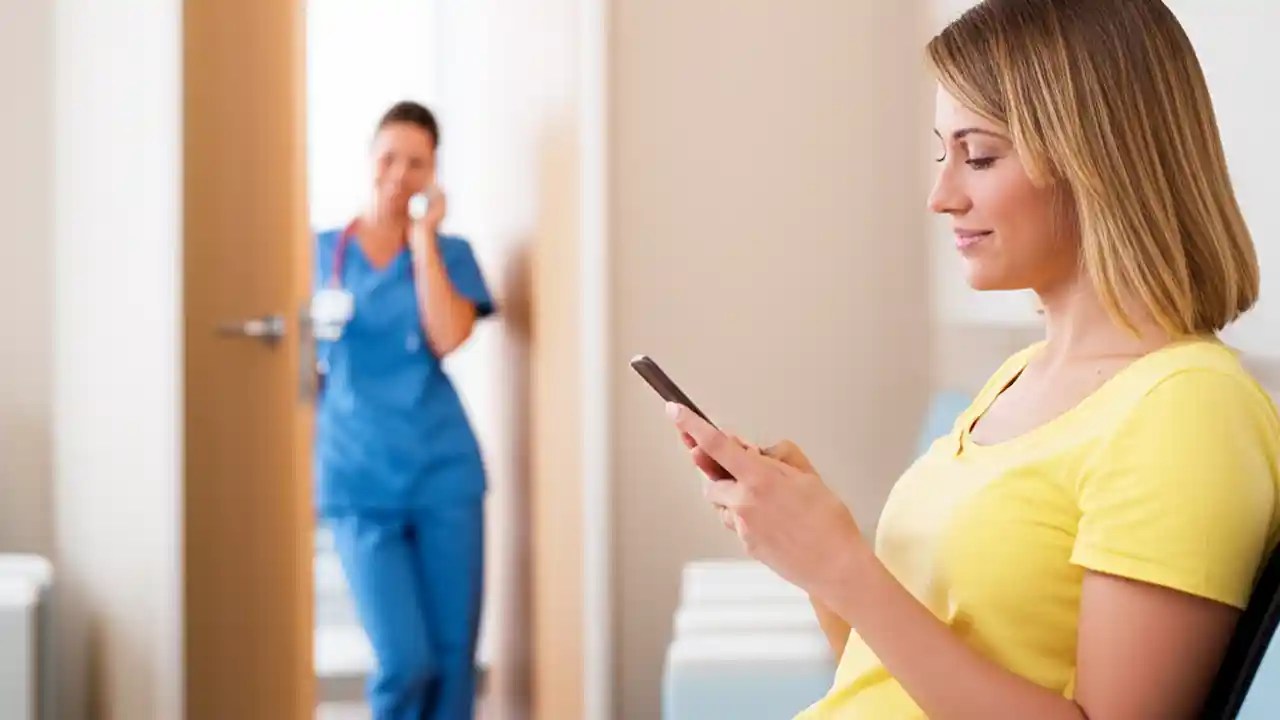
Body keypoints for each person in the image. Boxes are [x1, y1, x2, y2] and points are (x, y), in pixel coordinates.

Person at [666, 1, 1280, 717]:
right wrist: (812, 554)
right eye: (941, 153)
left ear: (1098, 162)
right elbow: (891, 682)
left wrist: (843, 562)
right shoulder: (1017, 379)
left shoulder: (1188, 412)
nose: (941, 196)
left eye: (979, 155)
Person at [312, 100, 494, 720]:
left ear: (433, 173)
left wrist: (422, 240)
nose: (399, 173)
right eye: (389, 157)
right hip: (358, 480)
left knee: (450, 659)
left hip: (444, 474)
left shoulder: (451, 254)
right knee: (402, 661)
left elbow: (446, 336)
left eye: (417, 163)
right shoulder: (318, 254)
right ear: (369, 159)